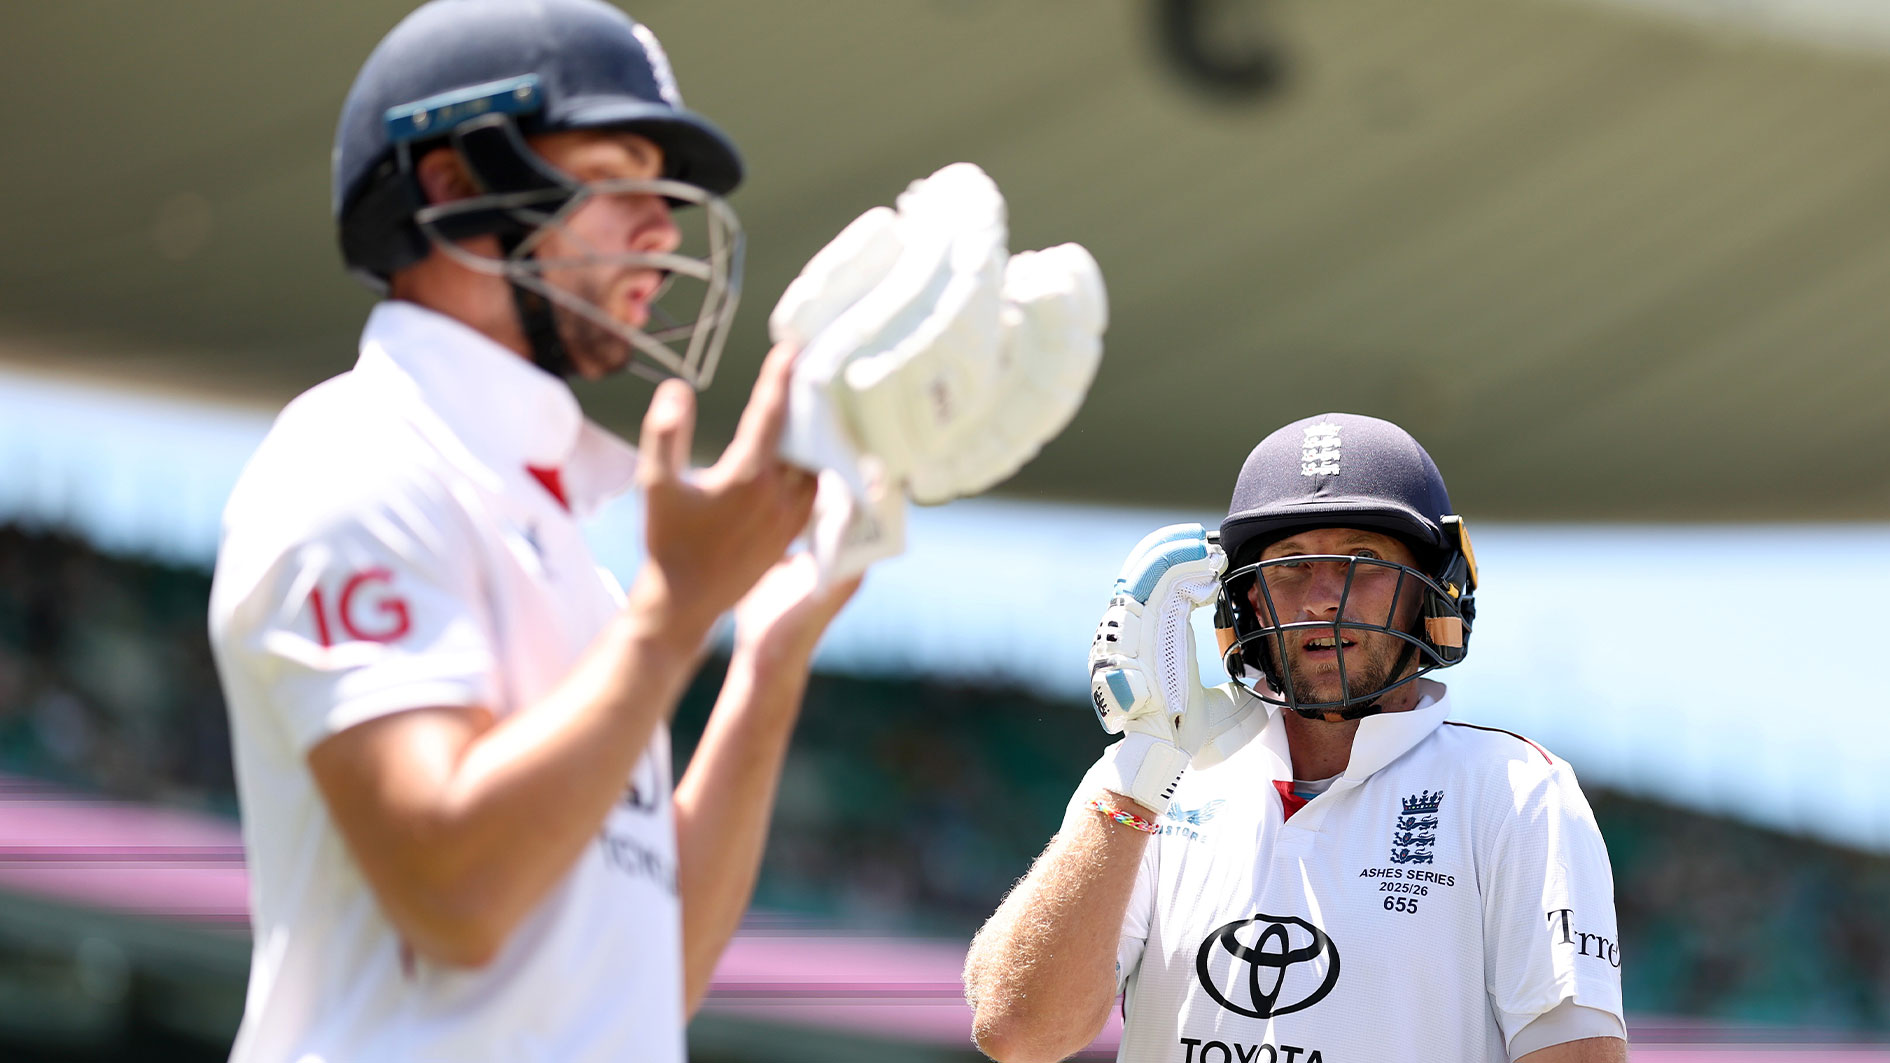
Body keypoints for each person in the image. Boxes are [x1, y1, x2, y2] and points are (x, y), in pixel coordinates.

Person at [207, 2, 858, 1060]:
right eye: (618, 174)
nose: (663, 228)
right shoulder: (353, 455)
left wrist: (769, 658)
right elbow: (455, 891)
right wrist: (676, 611)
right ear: (456, 184)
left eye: (666, 191)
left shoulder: (566, 553)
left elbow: (658, 971)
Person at [963, 413, 1627, 1063]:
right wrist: (1139, 771)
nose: (1320, 598)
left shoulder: (1513, 791)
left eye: (1362, 561)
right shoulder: (1153, 782)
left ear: (1430, 594)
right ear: (1248, 599)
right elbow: (1019, 1031)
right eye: (1289, 565)